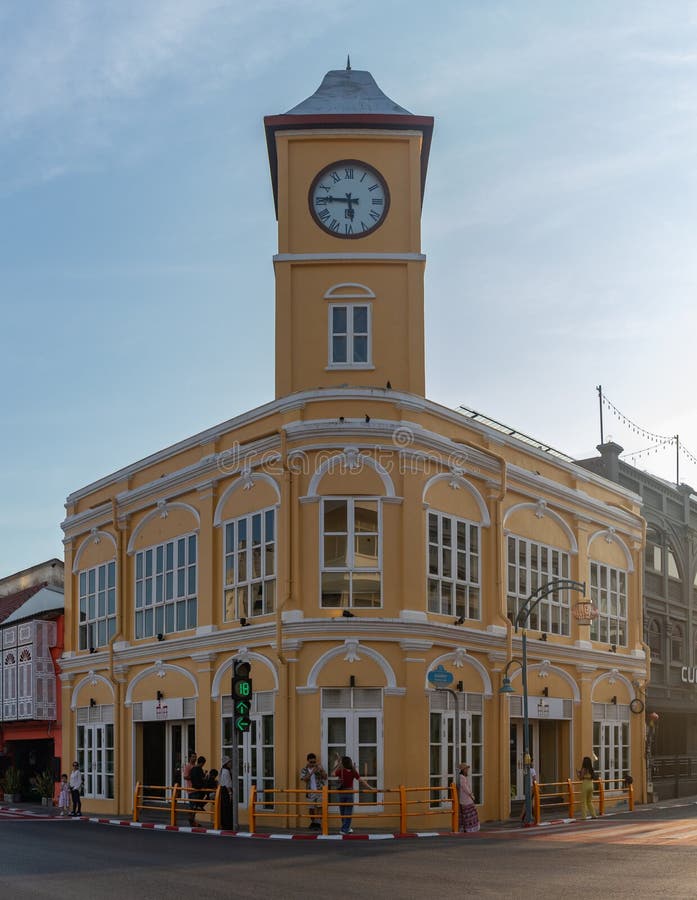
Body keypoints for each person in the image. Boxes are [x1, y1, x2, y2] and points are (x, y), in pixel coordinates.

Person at [333, 755, 375, 835]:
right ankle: (345, 829)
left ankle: (345, 828)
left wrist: (338, 764)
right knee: (348, 812)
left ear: (343, 763)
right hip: (349, 793)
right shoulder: (353, 771)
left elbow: (333, 773)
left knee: (342, 811)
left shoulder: (340, 771)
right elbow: (361, 781)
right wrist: (370, 788)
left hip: (341, 793)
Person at [300, 752, 327, 830]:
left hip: (319, 791)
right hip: (310, 792)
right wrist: (312, 772)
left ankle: (318, 823)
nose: (313, 763)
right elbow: (305, 779)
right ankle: (313, 822)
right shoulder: (304, 769)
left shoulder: (319, 768)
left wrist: (321, 770)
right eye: (311, 762)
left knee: (319, 807)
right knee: (311, 808)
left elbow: (325, 777)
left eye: (314, 762)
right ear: (308, 761)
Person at [458, 762, 480, 833]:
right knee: (469, 814)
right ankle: (469, 828)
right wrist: (471, 794)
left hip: (465, 798)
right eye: (466, 769)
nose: (467, 770)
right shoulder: (462, 777)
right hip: (465, 799)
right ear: (463, 770)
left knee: (466, 815)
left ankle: (467, 828)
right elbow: (465, 788)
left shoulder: (462, 777)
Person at [188, 755, 207, 826]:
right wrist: (205, 776)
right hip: (199, 789)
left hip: (193, 788)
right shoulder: (199, 769)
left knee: (193, 807)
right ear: (202, 763)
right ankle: (192, 821)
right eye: (203, 764)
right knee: (194, 807)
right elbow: (203, 778)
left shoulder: (193, 768)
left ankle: (193, 822)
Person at [578, 756, 598, 820]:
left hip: (585, 784)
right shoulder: (591, 769)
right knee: (589, 801)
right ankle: (594, 815)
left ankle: (584, 816)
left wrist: (578, 773)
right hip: (591, 784)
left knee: (583, 801)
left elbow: (580, 778)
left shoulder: (584, 769)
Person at [218, 755, 234, 828]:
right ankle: (227, 824)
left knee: (224, 807)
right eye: (230, 762)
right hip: (226, 791)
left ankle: (225, 823)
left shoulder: (223, 770)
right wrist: (230, 793)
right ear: (226, 763)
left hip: (223, 790)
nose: (231, 763)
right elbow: (227, 783)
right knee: (227, 808)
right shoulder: (226, 771)